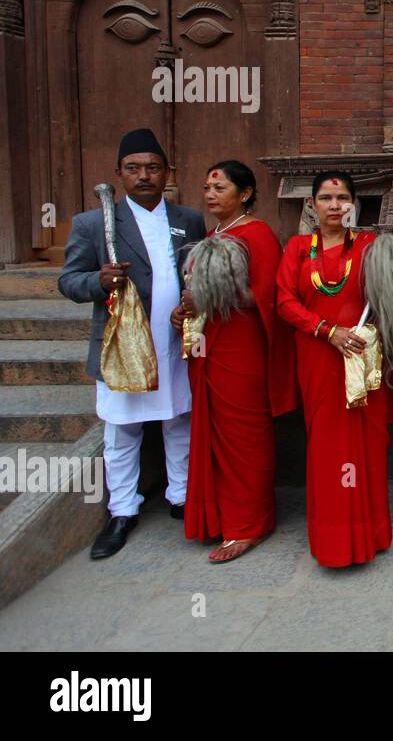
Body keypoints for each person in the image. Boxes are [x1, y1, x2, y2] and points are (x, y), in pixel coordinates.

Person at [59, 128, 206, 559]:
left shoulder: (188, 219)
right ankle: (123, 510)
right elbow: (68, 281)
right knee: (122, 430)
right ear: (119, 174)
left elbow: (195, 270)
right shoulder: (93, 223)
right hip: (122, 344)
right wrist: (98, 280)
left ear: (166, 173)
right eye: (134, 168)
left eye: (153, 168)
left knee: (179, 420)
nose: (144, 175)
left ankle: (181, 496)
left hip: (174, 339)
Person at [171, 160, 297, 561]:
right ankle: (220, 517)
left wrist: (207, 298)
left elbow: (268, 298)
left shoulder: (257, 235)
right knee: (213, 434)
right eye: (207, 187)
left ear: (244, 194)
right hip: (210, 346)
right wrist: (183, 311)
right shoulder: (212, 234)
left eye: (220, 187)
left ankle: (251, 524)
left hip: (243, 350)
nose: (210, 194)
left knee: (245, 436)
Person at [276, 171, 393, 567]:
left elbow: (389, 298)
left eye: (343, 198)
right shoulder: (298, 248)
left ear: (354, 204)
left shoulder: (370, 246)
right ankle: (334, 542)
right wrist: (328, 331)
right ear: (312, 205)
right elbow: (284, 301)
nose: (334, 205)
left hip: (362, 359)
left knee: (367, 446)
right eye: (326, 198)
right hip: (318, 360)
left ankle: (371, 533)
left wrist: (372, 329)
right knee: (328, 450)